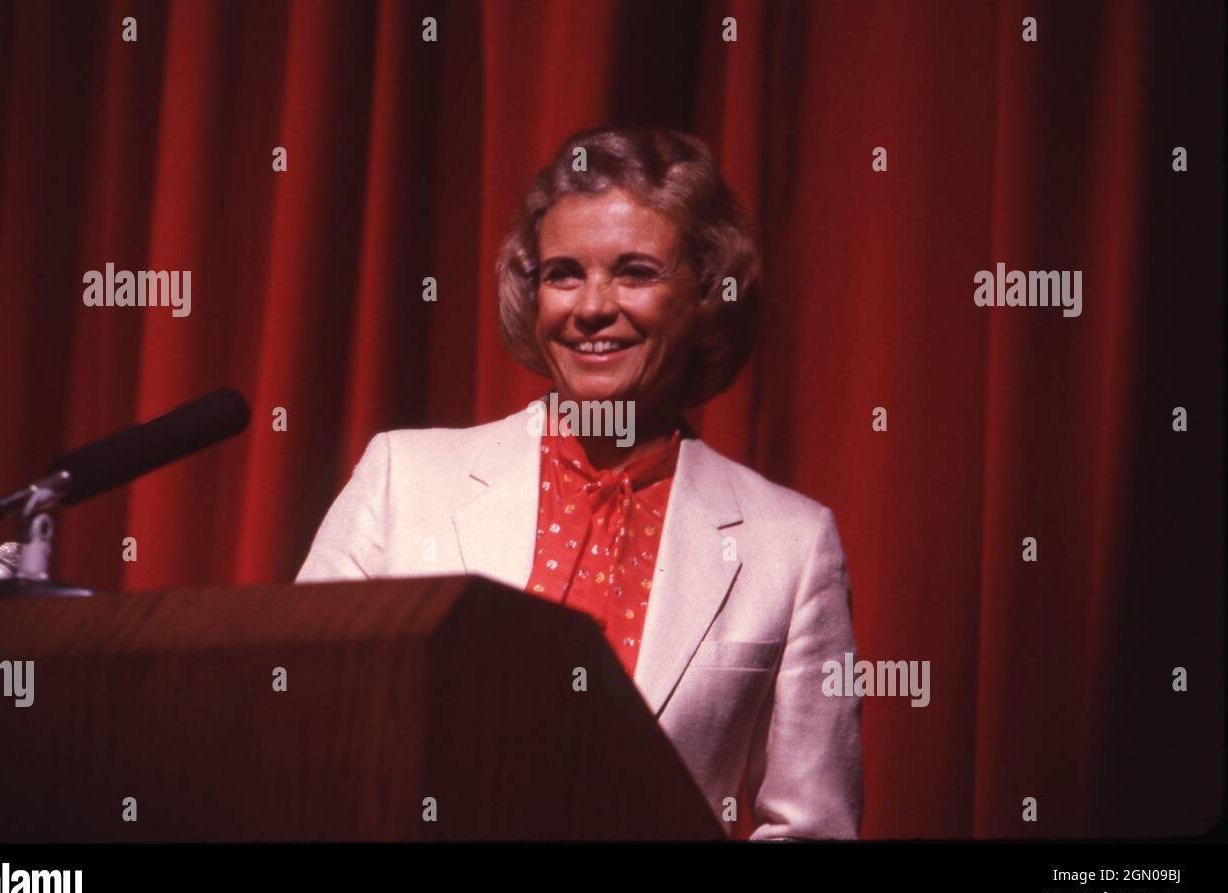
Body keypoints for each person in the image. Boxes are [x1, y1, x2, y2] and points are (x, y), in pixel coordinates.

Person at [297, 126, 862, 840]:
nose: (592, 307)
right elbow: (300, 733)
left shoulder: (792, 544)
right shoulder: (401, 478)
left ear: (709, 294)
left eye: (635, 272)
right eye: (564, 273)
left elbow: (814, 829)